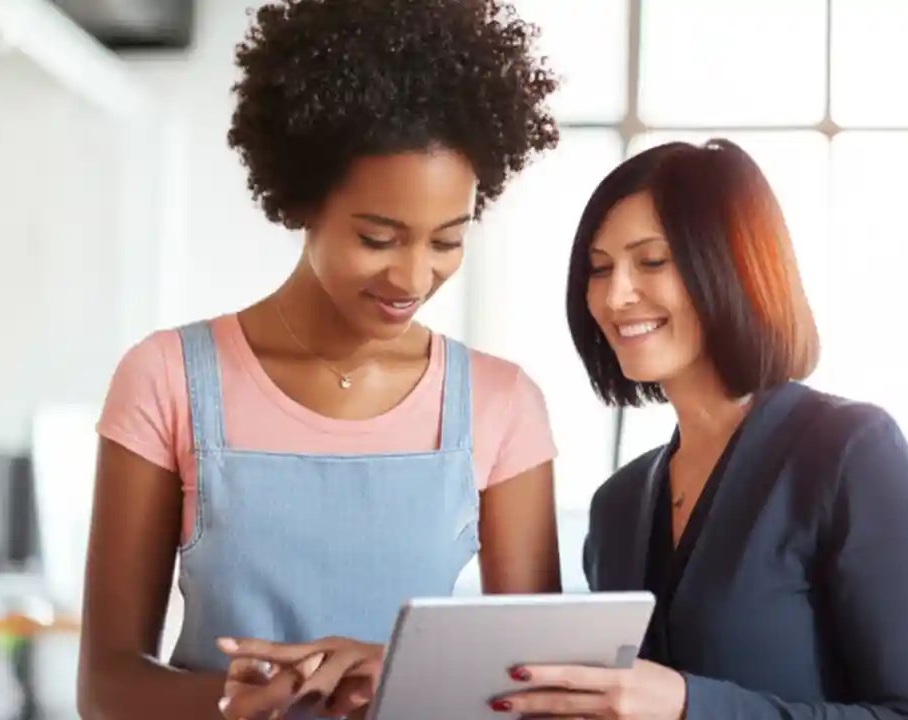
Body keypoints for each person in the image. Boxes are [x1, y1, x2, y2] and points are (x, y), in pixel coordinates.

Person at [76, 0, 563, 717]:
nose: (413, 278)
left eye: (447, 241)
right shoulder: (167, 378)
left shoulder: (502, 404)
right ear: (302, 201)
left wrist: (394, 673)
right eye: (378, 238)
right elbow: (106, 687)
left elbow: (537, 685)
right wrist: (235, 701)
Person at [494, 139, 908, 719]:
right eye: (598, 268)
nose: (615, 295)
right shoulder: (617, 506)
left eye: (652, 261)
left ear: (730, 263)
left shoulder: (850, 452)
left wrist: (691, 705)